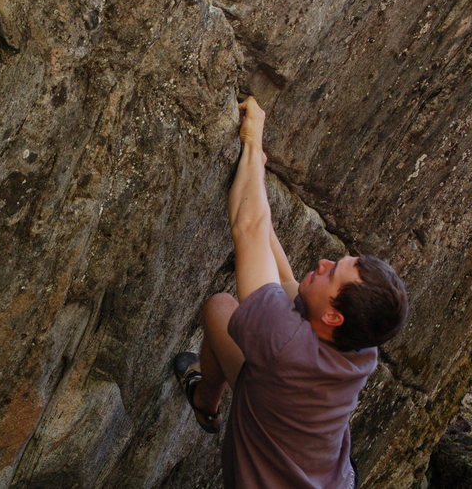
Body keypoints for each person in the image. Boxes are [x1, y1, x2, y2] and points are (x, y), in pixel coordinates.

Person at [173, 97, 409, 488]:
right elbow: (280, 277)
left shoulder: (283, 343)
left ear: (333, 316)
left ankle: (207, 401)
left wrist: (252, 142)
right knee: (220, 308)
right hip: (323, 468)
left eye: (333, 274)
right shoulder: (360, 347)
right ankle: (206, 404)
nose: (323, 264)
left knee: (228, 311)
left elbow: (247, 230)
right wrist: (255, 179)